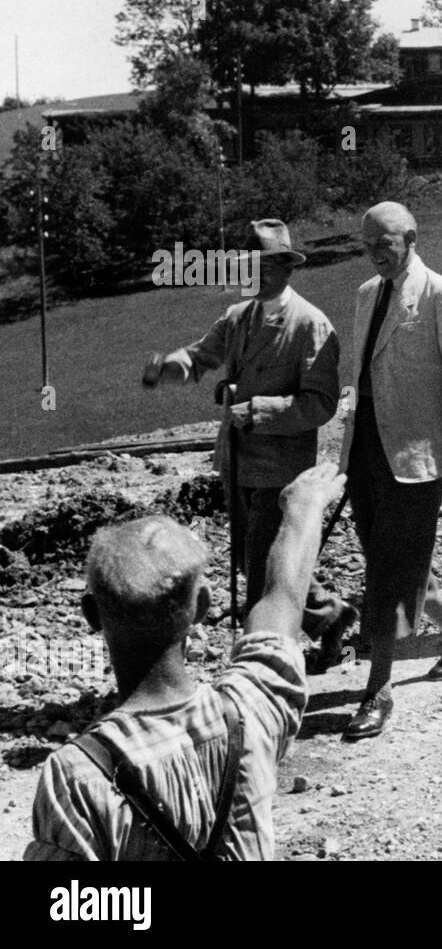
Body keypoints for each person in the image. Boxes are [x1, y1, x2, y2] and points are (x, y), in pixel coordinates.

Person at [26, 462, 345, 860]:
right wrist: (303, 507)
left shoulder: (77, 773)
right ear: (202, 607)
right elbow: (283, 597)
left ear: (91, 614)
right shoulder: (254, 704)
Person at [141, 219, 355, 674]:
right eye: (248, 264)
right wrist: (171, 366)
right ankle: (327, 615)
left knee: (259, 570)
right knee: (248, 557)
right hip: (237, 461)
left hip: (281, 469)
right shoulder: (239, 317)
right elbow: (200, 357)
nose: (256, 273)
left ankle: (266, 671)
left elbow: (321, 404)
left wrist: (257, 410)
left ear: (285, 268)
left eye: (266, 264)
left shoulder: (310, 325)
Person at [339, 202, 442, 740]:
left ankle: (377, 689)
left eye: (386, 243)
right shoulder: (363, 296)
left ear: (412, 238)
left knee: (384, 572)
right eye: (368, 245)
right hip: (366, 451)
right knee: (399, 563)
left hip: (418, 458)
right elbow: (358, 376)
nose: (377, 254)